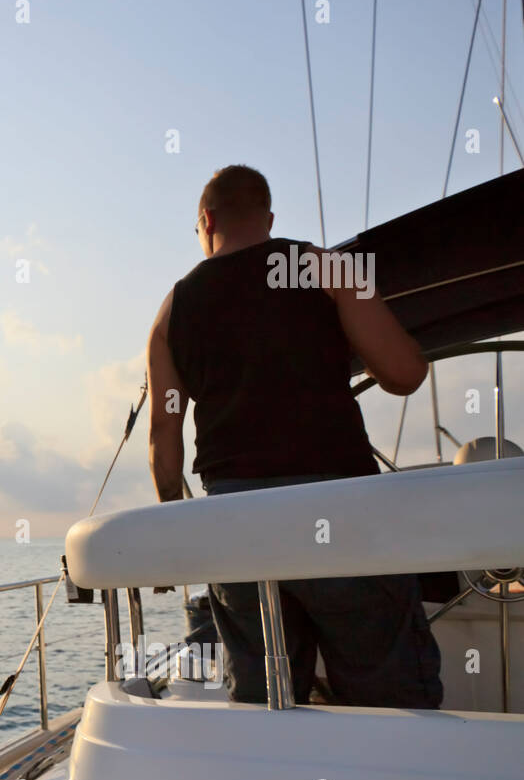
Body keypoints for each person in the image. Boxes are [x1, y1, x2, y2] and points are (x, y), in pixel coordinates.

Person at [146, 164, 443, 709]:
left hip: (235, 524)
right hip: (340, 507)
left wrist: (175, 525)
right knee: (389, 692)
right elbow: (404, 374)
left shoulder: (173, 308)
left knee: (265, 700)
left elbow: (166, 438)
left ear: (206, 220)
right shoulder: (318, 267)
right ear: (269, 218)